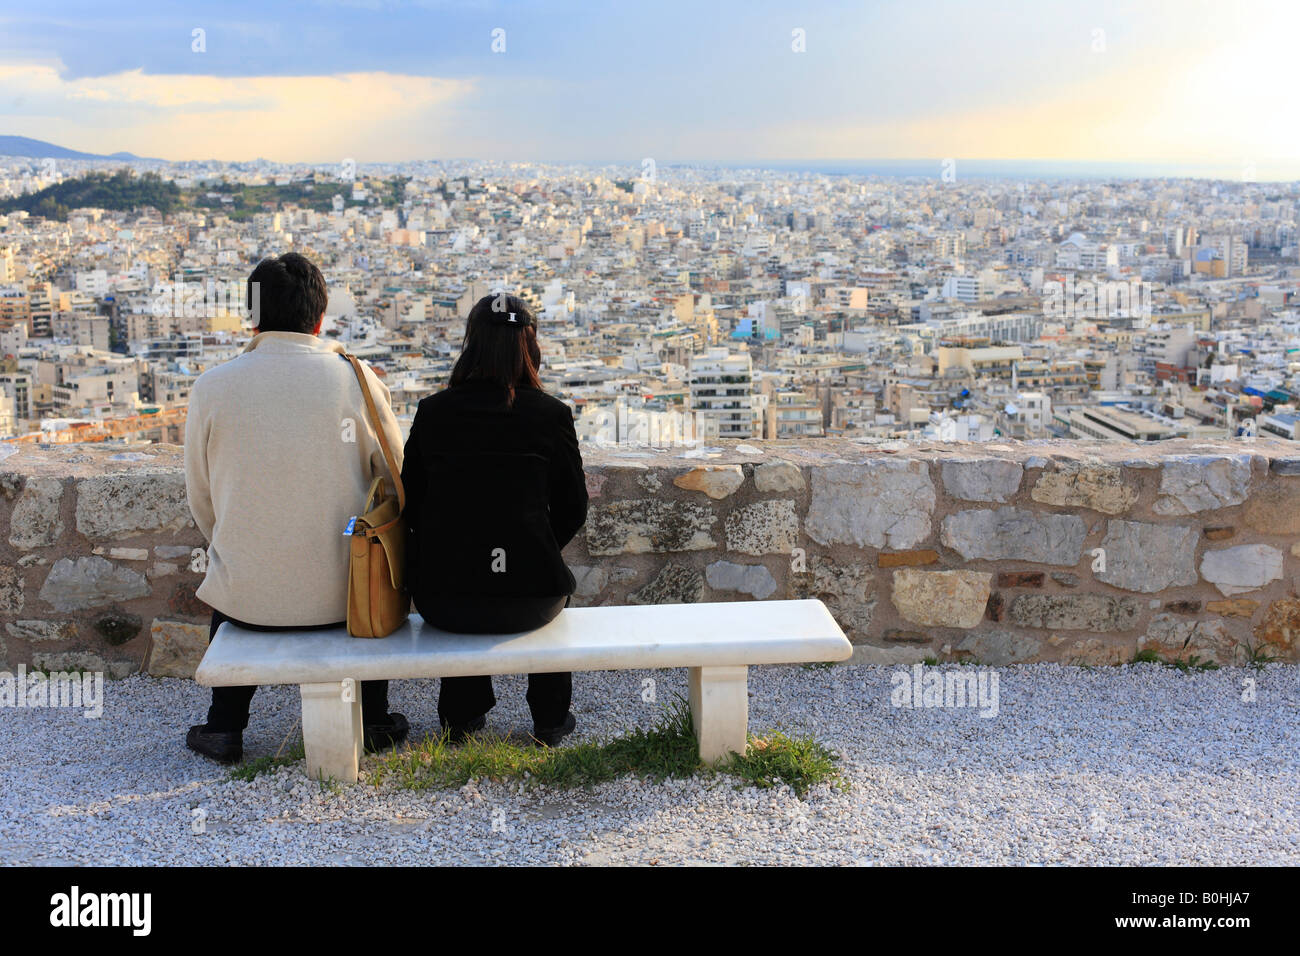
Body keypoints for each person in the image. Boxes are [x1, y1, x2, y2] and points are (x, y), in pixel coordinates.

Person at [183, 252, 409, 764]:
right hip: (348, 600)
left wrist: (237, 539)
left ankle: (224, 726)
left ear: (253, 316)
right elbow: (396, 480)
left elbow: (202, 497)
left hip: (246, 598)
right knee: (368, 563)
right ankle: (373, 718)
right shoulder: (359, 382)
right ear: (321, 316)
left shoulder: (213, 388)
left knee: (238, 573)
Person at [402, 293, 588, 747]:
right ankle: (549, 718)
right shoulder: (551, 415)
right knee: (551, 596)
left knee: (465, 580)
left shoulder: (434, 413)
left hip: (445, 597)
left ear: (472, 344)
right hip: (533, 594)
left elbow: (410, 501)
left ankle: (462, 716)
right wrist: (537, 544)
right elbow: (574, 507)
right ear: (530, 344)